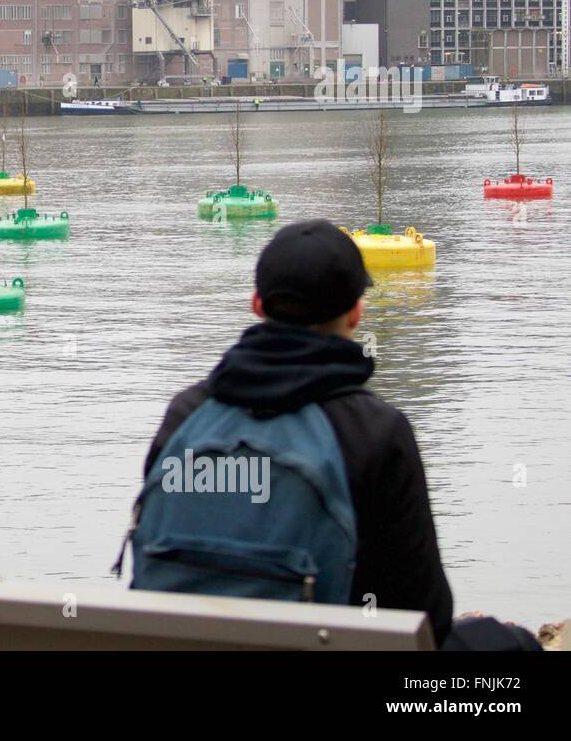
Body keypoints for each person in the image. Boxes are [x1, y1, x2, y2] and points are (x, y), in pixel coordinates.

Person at [125, 221, 456, 647]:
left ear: (256, 304)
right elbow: (427, 617)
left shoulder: (185, 416)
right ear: (357, 312)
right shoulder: (375, 433)